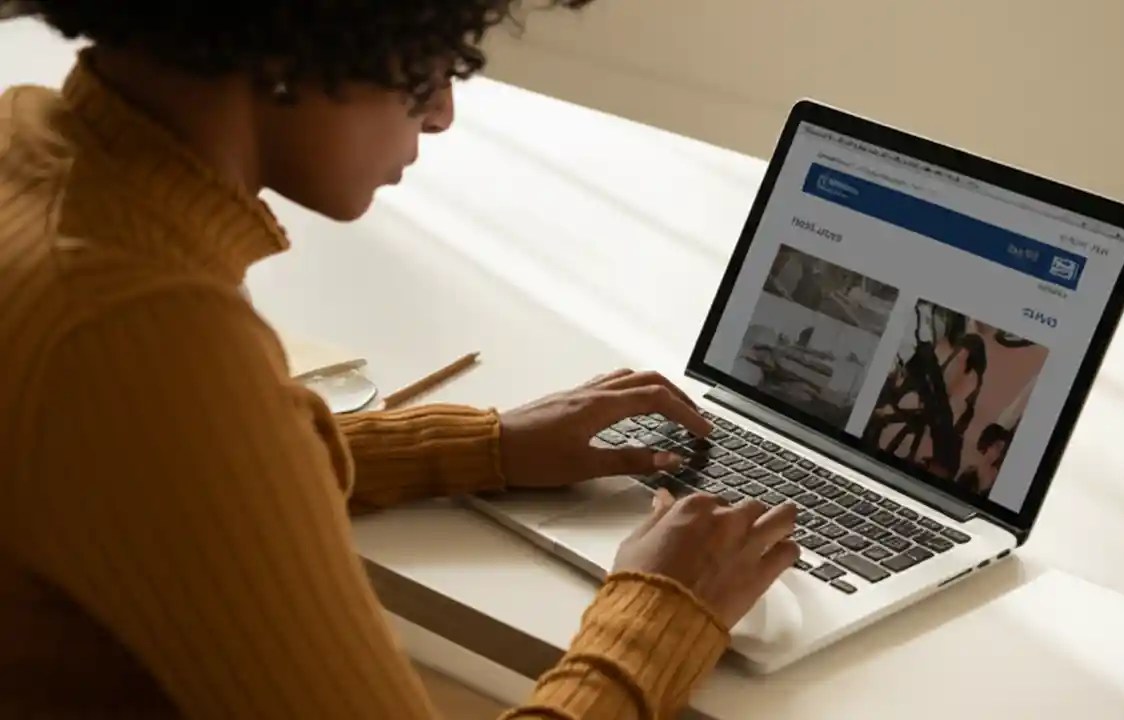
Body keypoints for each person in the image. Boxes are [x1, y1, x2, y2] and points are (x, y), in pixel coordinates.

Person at [0, 2, 800, 718]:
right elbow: (166, 418)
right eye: (426, 59)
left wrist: (482, 445)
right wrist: (662, 617)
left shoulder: (32, 149)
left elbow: (148, 470)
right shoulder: (148, 333)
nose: (445, 112)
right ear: (298, 36)